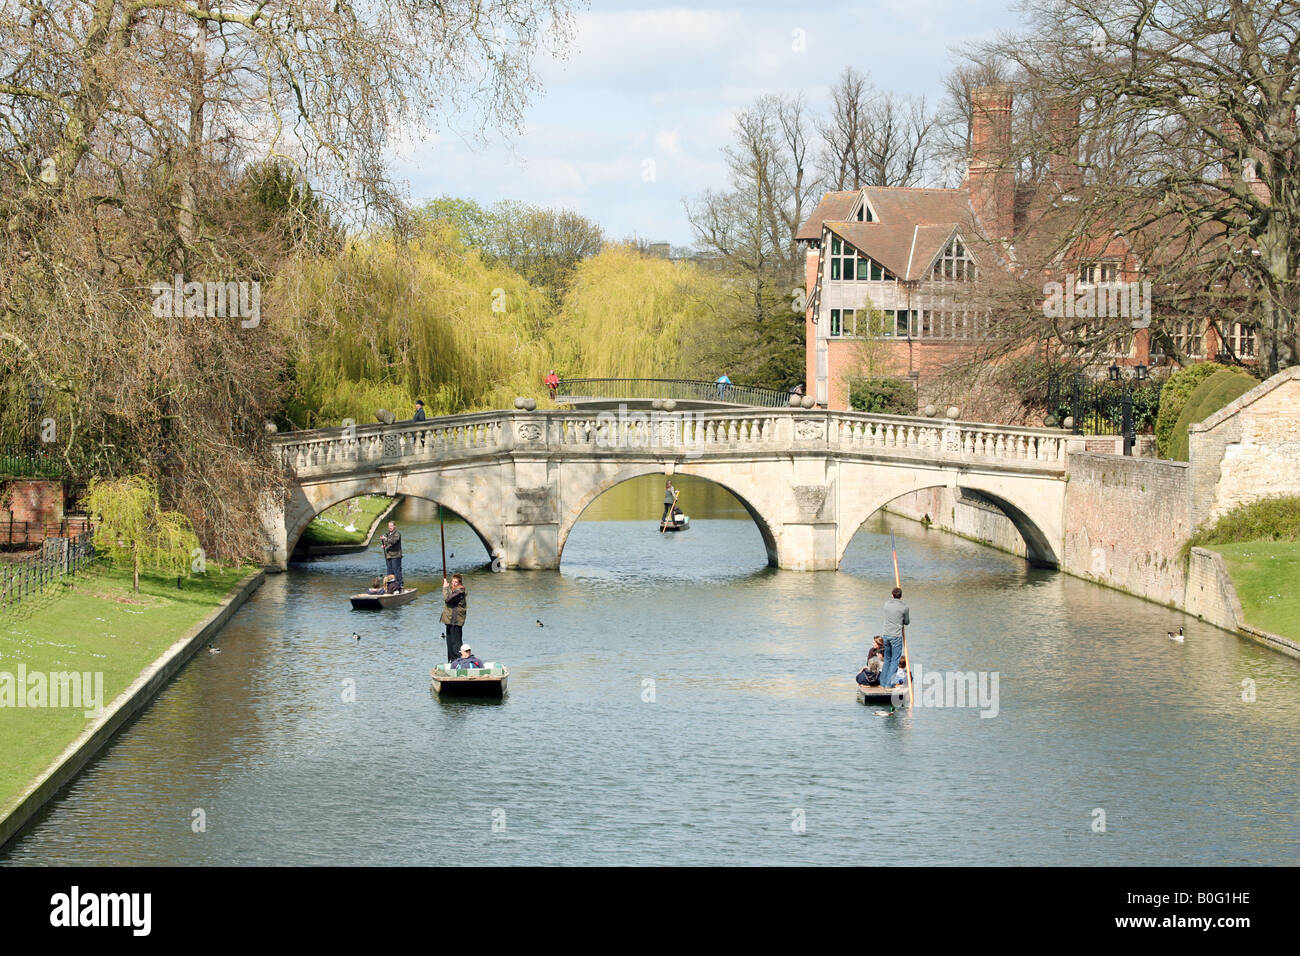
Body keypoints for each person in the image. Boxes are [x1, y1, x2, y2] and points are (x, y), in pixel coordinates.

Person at [879, 587, 910, 688]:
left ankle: (882, 683)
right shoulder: (904, 607)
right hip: (896, 636)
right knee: (895, 661)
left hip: (886, 635)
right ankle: (889, 684)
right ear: (901, 597)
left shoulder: (886, 604)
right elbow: (907, 622)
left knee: (887, 659)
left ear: (892, 595)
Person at [441, 573, 467, 661]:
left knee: (456, 644)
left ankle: (459, 660)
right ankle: (452, 661)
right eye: (452, 581)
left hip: (455, 621)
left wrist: (445, 587)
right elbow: (449, 598)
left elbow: (447, 599)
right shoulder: (454, 591)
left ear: (460, 583)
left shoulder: (460, 592)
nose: (453, 583)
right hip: (450, 620)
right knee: (450, 643)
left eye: (456, 582)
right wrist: (448, 588)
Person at [380, 521, 403, 590]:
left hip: (396, 555)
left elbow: (393, 541)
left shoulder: (397, 534)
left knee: (396, 571)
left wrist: (385, 539)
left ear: (394, 526)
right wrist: (384, 545)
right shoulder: (387, 534)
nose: (390, 527)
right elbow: (387, 542)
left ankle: (400, 585)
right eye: (389, 526)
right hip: (388, 555)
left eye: (391, 526)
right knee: (389, 571)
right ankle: (390, 586)